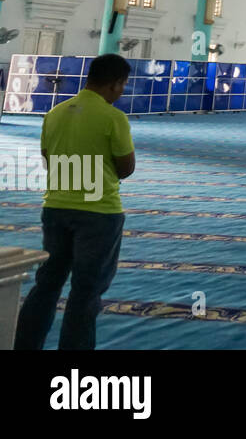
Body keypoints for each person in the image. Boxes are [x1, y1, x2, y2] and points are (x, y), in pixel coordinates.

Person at [14, 53, 135, 350]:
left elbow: (47, 158)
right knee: (85, 293)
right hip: (98, 213)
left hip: (55, 208)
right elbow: (126, 168)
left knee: (47, 285)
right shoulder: (113, 117)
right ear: (117, 84)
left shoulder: (55, 113)